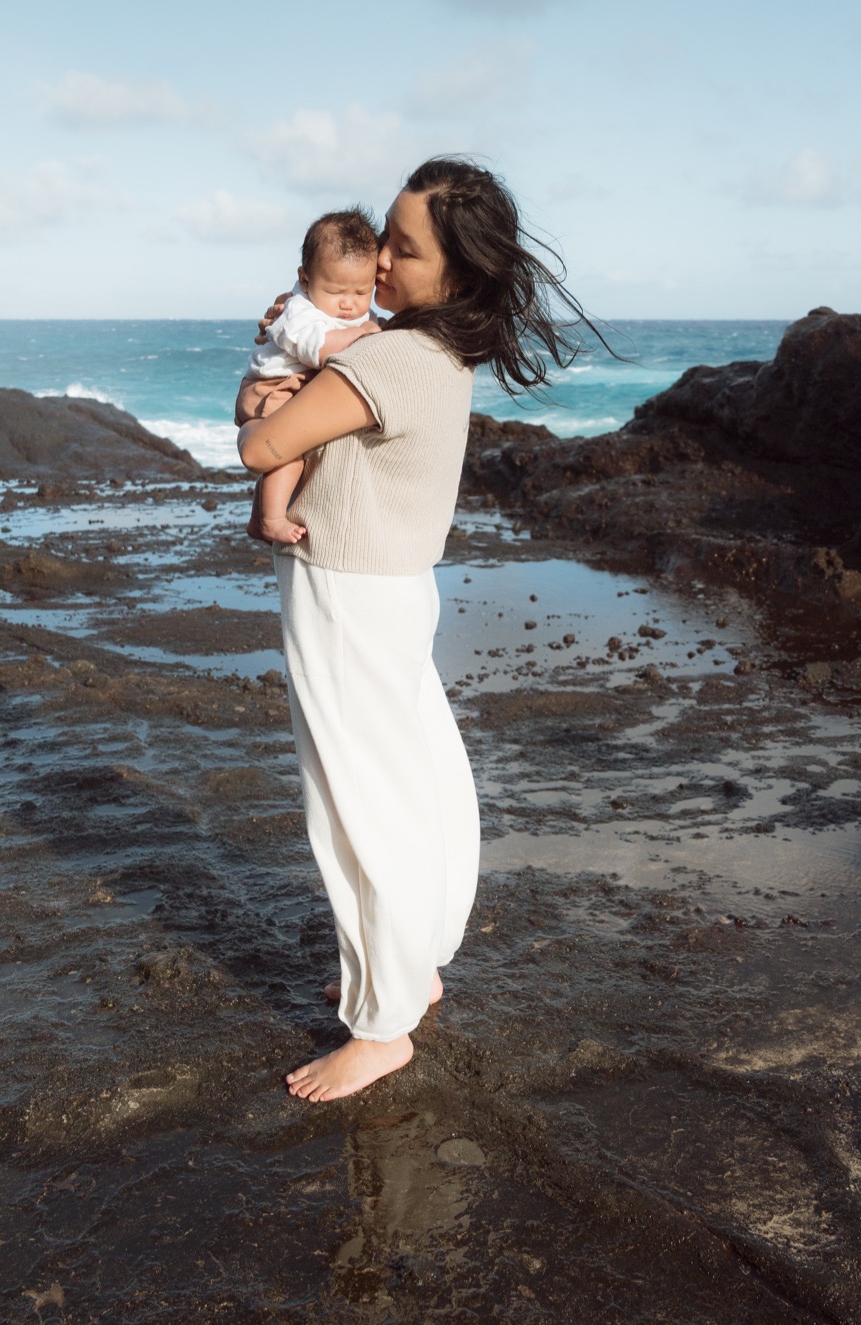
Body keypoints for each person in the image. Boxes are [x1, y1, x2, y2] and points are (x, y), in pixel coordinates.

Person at [237, 156, 609, 1102]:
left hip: (346, 596)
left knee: (358, 809)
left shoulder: (389, 356)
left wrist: (267, 384)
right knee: (416, 779)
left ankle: (382, 1025)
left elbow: (257, 446)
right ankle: (410, 971)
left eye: (405, 249)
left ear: (458, 271)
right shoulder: (437, 353)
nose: (384, 266)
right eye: (388, 242)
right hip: (394, 591)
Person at [239, 208, 383, 545]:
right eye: (336, 292)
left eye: (362, 293)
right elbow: (317, 349)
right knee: (290, 452)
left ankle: (258, 516)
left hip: (293, 385)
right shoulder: (297, 311)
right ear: (305, 280)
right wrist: (361, 334)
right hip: (273, 386)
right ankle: (271, 520)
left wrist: (370, 328)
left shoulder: (349, 312)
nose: (349, 304)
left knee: (289, 454)